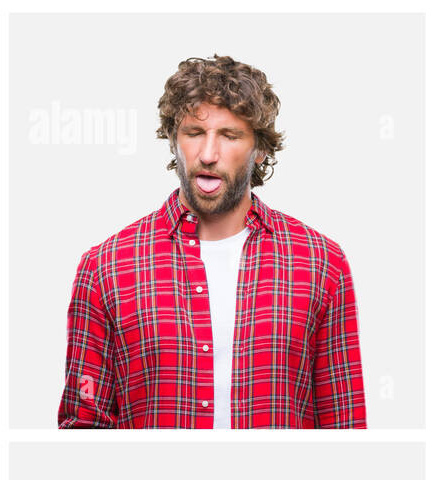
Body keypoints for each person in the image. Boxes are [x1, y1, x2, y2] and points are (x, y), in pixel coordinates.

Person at [58, 54, 365, 429]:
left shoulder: (321, 263)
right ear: (174, 141)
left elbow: (344, 428)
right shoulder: (106, 267)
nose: (207, 154)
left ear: (260, 148)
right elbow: (83, 429)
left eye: (230, 135)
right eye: (194, 133)